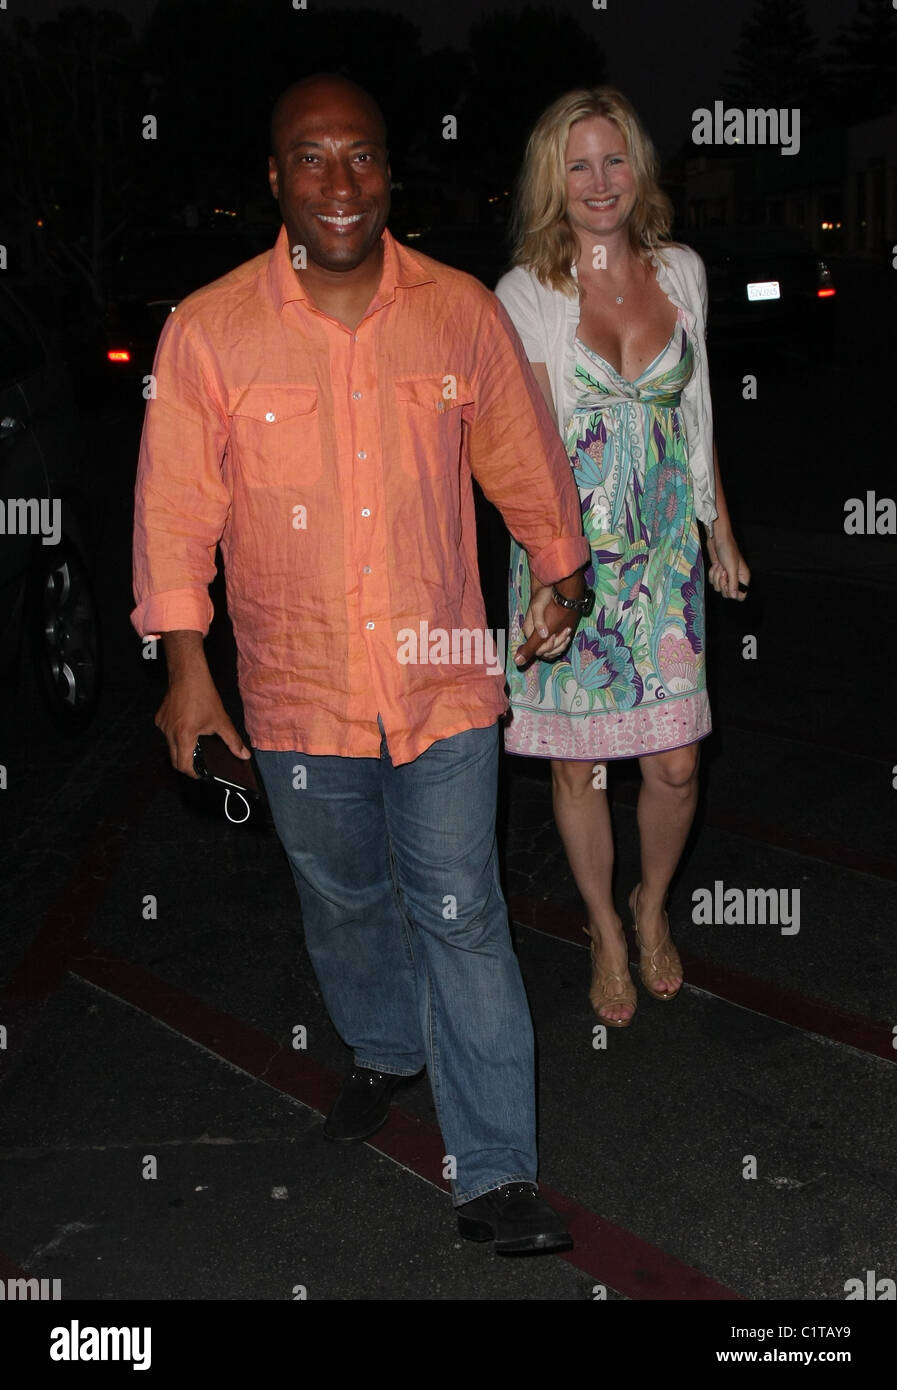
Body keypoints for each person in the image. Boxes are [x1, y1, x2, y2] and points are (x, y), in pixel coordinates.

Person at [131, 74, 591, 1254]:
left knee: (463, 913)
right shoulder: (208, 331)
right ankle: (385, 1049)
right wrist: (187, 669)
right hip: (293, 690)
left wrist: (561, 565)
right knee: (341, 903)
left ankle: (494, 1175)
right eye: (312, 160)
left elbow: (520, 454)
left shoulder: (455, 314)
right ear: (274, 179)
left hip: (442, 682)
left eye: (363, 158)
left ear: (391, 172)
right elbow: (175, 512)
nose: (340, 183)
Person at [495, 87, 750, 1028]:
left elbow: (698, 415)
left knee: (676, 764)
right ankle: (606, 927)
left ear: (637, 168)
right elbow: (523, 453)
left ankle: (653, 902)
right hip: (572, 559)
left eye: (614, 160)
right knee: (580, 770)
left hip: (666, 561)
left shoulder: (680, 272)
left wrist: (719, 529)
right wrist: (554, 579)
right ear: (550, 181)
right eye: (578, 164)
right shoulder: (525, 294)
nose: (599, 182)